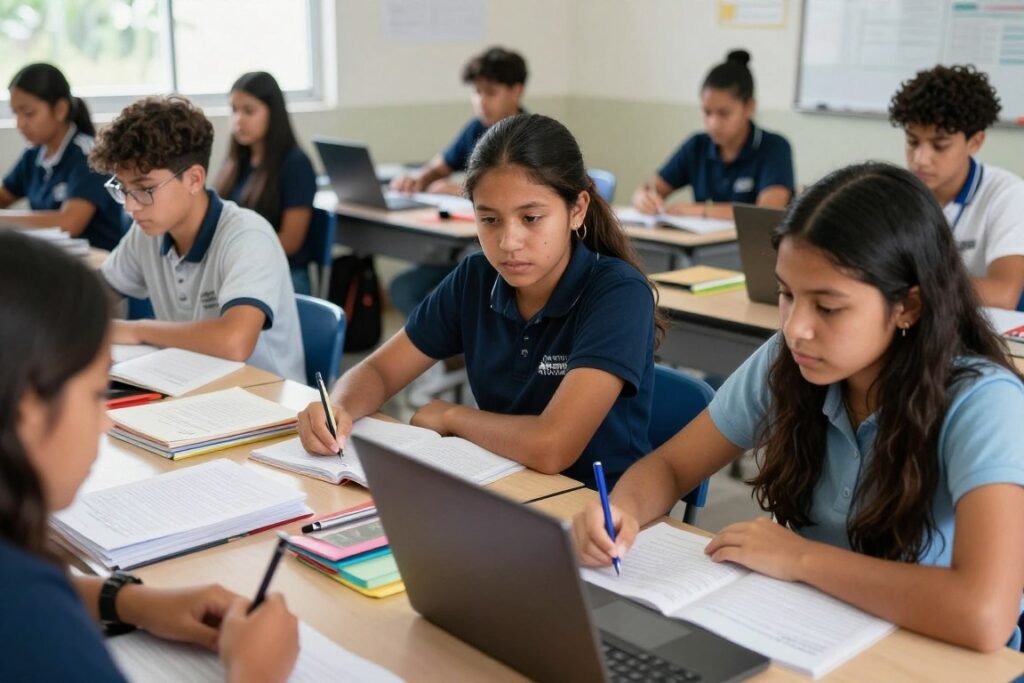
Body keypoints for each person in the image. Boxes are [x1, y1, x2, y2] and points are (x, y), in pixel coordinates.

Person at [575, 162, 1024, 652]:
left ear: (908, 307)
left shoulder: (983, 402)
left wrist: (803, 560)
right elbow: (672, 463)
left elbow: (984, 614)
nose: (795, 328)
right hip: (811, 626)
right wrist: (619, 512)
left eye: (828, 307)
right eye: (787, 294)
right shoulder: (790, 359)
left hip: (934, 651)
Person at [298, 114, 664, 488]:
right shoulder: (476, 277)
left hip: (600, 511)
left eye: (532, 218)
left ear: (577, 209)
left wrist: (454, 418)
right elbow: (379, 371)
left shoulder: (619, 293)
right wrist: (338, 407)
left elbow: (552, 446)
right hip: (500, 486)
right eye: (489, 219)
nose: (508, 242)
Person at [0, 230, 298, 682]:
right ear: (28, 410)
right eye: (98, 393)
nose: (108, 422)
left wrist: (123, 598)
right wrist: (257, 672)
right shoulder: (33, 621)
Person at [90, 95, 305, 383]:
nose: (130, 206)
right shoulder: (148, 233)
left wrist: (136, 329)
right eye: (122, 189)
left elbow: (234, 342)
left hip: (267, 404)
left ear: (193, 179)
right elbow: (92, 296)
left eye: (144, 189)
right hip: (190, 387)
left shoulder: (247, 236)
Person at [388, 46, 529, 318]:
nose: (481, 102)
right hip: (465, 247)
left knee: (471, 284)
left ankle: (464, 346)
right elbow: (440, 165)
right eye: (476, 92)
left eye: (491, 92)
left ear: (517, 91)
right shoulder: (477, 128)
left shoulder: (529, 136)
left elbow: (517, 198)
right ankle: (448, 349)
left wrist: (462, 191)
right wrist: (418, 180)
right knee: (402, 288)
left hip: (500, 253)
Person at [889, 64, 1024, 310]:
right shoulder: (897, 194)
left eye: (939, 145)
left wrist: (915, 288)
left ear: (975, 142)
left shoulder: (1008, 195)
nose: (920, 159)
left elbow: (1004, 293)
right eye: (912, 142)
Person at [631, 50, 794, 220]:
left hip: (748, 246)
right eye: (707, 112)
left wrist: (701, 210)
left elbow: (766, 213)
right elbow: (652, 187)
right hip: (701, 245)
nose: (713, 123)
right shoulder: (697, 145)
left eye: (724, 113)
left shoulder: (775, 147)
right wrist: (642, 197)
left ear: (749, 107)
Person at [0, 63, 125, 250]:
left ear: (60, 109)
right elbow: (4, 196)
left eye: (28, 113)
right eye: (15, 113)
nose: (20, 124)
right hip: (58, 263)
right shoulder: (34, 155)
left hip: (98, 265)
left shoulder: (88, 155)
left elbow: (69, 224)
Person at [213, 71, 318, 295]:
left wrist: (234, 254)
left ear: (273, 114)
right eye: (234, 110)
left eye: (249, 111)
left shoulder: (295, 163)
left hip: (284, 276)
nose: (238, 119)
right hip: (239, 270)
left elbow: (291, 241)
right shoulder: (236, 161)